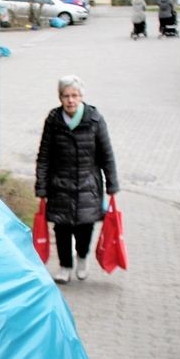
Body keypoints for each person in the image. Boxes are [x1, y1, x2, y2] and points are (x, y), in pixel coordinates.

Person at [35, 75, 120, 284]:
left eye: (74, 95)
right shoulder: (53, 121)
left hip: (87, 185)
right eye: (66, 96)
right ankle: (65, 266)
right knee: (62, 228)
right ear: (60, 97)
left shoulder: (94, 120)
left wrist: (112, 184)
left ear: (81, 97)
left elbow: (106, 154)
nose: (70, 100)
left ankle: (82, 257)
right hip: (60, 185)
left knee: (84, 228)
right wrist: (41, 186)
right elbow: (44, 155)